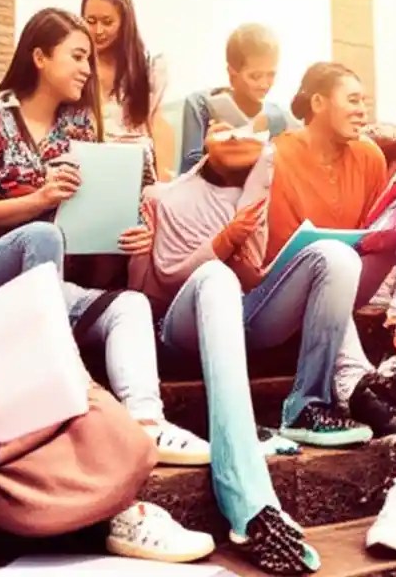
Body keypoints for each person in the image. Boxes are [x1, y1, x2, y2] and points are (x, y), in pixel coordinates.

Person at [0, 4, 214, 519]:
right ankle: (61, 395)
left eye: (89, 59)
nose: (88, 70)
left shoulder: (80, 127)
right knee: (43, 236)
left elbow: (87, 225)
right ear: (40, 57)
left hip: (49, 284)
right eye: (77, 56)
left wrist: (128, 233)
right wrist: (38, 199)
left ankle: (145, 425)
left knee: (131, 306)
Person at [130, 128, 329, 574]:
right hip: (172, 324)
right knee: (215, 276)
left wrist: (242, 228)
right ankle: (246, 496)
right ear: (203, 137)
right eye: (225, 125)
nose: (240, 134)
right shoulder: (162, 195)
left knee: (324, 258)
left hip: (228, 316)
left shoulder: (251, 200)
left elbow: (251, 279)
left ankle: (304, 412)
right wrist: (221, 243)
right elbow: (156, 282)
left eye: (251, 131)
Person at [260, 62, 396, 437]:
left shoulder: (369, 155)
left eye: (364, 101)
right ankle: (356, 386)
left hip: (348, 272)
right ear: (320, 102)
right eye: (353, 100)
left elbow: (367, 228)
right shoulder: (277, 156)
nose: (363, 111)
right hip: (285, 288)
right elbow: (277, 251)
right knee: (332, 259)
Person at [81, 0, 174, 182]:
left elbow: (158, 123)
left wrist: (164, 183)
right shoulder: (77, 64)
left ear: (125, 22)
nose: (98, 31)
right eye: (90, 21)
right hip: (88, 168)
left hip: (136, 168)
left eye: (107, 22)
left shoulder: (147, 67)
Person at [179, 23, 290, 173]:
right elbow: (188, 172)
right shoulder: (201, 105)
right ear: (232, 73)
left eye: (271, 75)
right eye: (255, 76)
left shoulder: (277, 116)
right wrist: (211, 151)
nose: (264, 84)